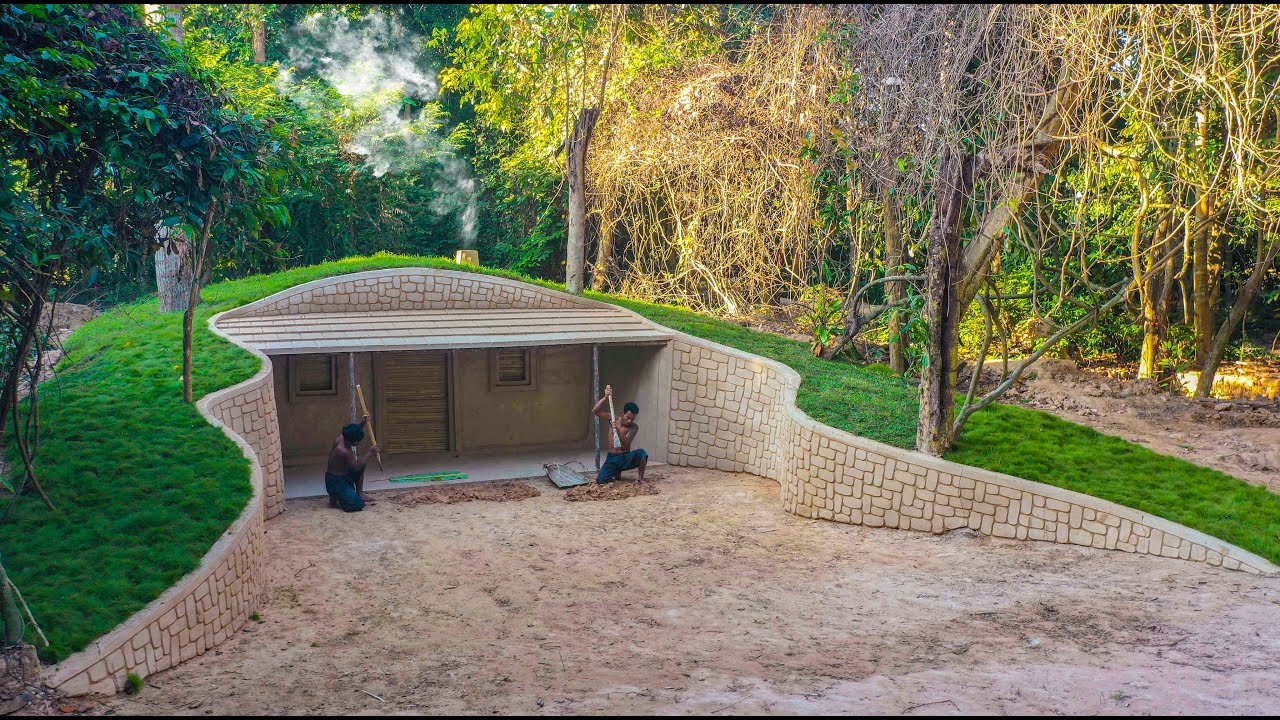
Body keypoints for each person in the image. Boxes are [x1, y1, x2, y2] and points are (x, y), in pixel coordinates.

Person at [591, 385, 647, 484]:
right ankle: (616, 472)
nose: (630, 421)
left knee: (641, 453)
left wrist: (617, 430)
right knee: (600, 480)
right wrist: (605, 398)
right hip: (612, 457)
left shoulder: (634, 427)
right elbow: (595, 411)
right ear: (622, 413)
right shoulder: (613, 418)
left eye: (633, 419)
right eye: (628, 417)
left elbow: (627, 443)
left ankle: (641, 478)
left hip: (625, 457)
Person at [325, 415, 380, 512]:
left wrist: (363, 423)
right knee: (357, 504)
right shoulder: (343, 451)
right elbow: (357, 466)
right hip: (336, 481)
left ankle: (359, 493)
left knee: (360, 465)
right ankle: (336, 497)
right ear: (354, 442)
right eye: (357, 442)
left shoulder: (343, 437)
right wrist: (370, 453)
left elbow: (353, 431)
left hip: (344, 475)